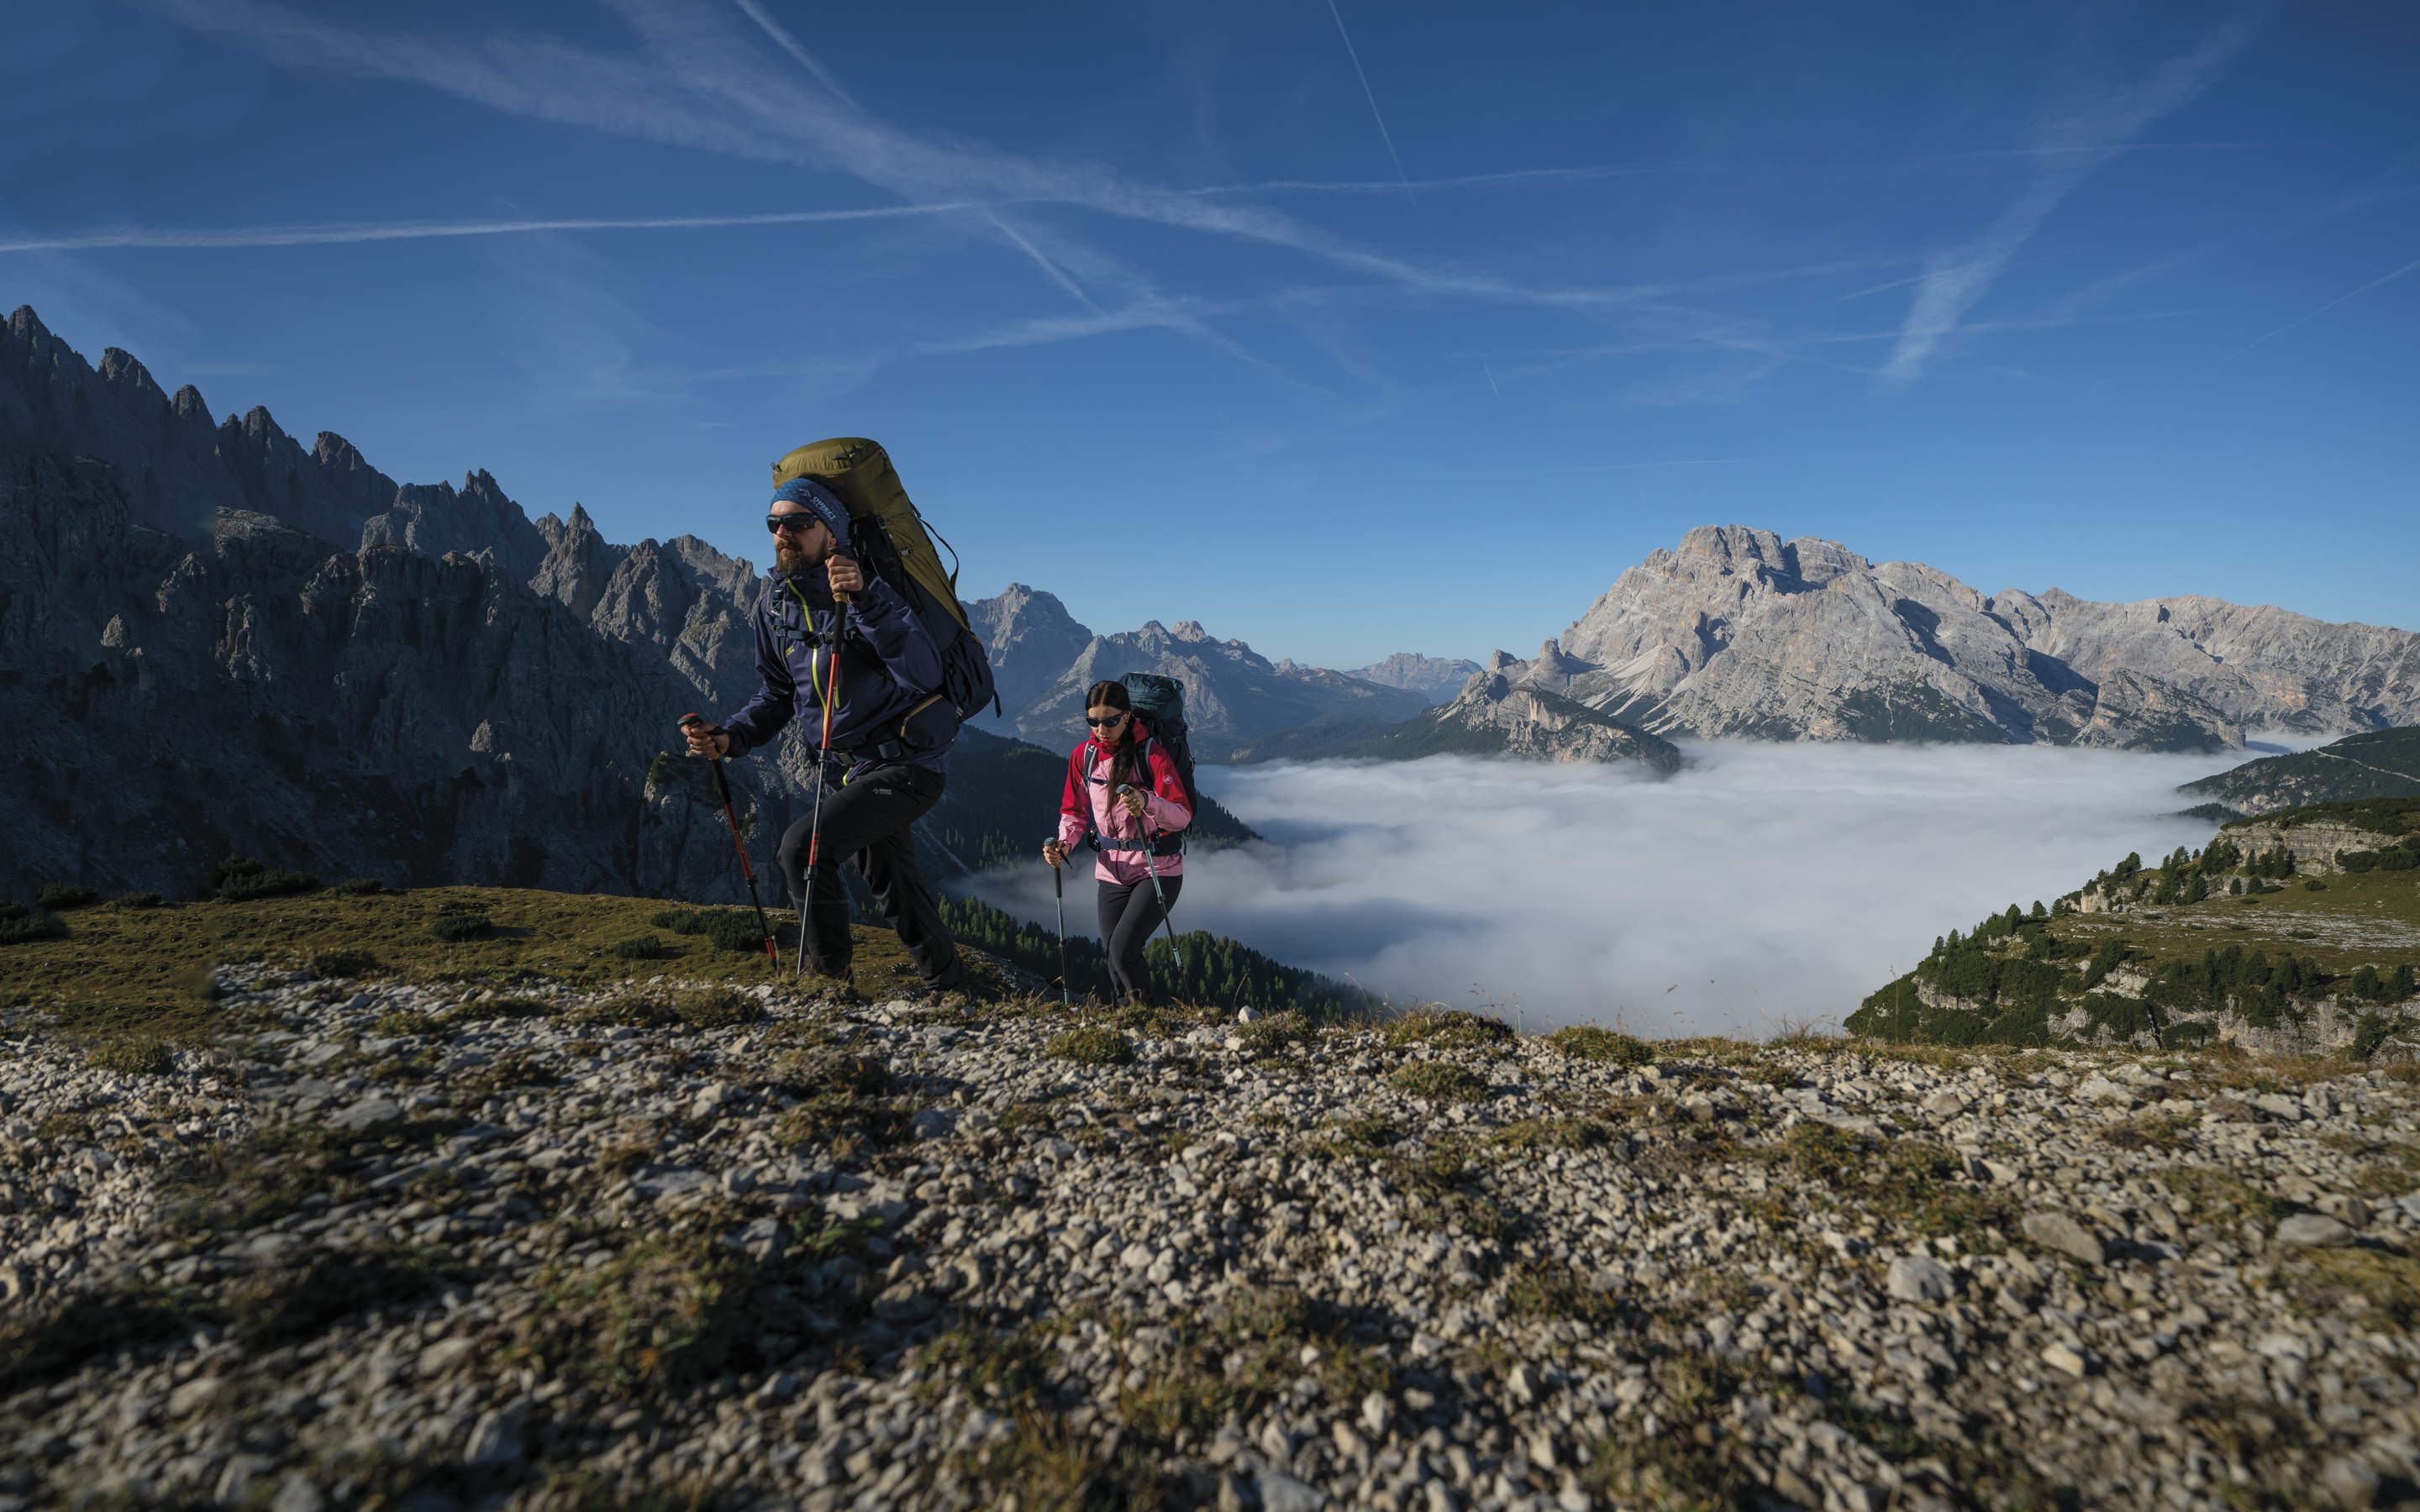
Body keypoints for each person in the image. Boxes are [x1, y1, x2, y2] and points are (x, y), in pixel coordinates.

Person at [682, 476, 969, 992]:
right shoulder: (772, 608)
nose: (782, 533)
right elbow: (776, 694)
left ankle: (829, 985)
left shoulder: (873, 593)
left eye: (798, 522)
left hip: (908, 764)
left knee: (803, 850)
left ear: (832, 533)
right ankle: (955, 988)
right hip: (851, 771)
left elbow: (923, 674)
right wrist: (732, 738)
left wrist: (864, 600)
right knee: (896, 886)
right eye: (775, 523)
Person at [1044, 680, 1192, 1005]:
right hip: (1111, 871)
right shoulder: (1083, 757)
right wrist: (1063, 844)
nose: (1101, 729)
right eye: (1093, 721)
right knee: (1113, 956)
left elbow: (1182, 816)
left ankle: (1144, 1015)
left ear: (1127, 716)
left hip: (1158, 869)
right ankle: (1125, 1020)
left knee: (1123, 950)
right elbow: (1074, 812)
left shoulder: (1152, 753)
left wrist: (1147, 801)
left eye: (1110, 720)